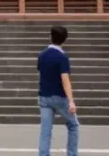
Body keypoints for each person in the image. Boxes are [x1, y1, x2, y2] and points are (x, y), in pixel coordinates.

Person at [37, 25, 79, 156]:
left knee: (46, 131)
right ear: (65, 39)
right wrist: (71, 101)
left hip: (44, 96)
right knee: (73, 125)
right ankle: (72, 153)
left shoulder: (42, 55)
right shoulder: (62, 57)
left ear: (50, 37)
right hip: (60, 97)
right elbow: (65, 80)